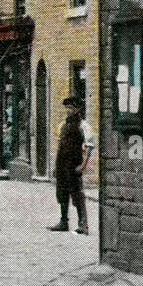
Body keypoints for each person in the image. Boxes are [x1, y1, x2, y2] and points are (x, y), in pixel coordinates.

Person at [48, 96, 95, 235]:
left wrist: (83, 165)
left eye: (71, 108)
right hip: (62, 163)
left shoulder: (83, 126)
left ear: (78, 109)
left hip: (74, 164)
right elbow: (60, 145)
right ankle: (64, 221)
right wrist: (56, 166)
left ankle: (83, 224)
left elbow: (90, 146)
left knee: (77, 193)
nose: (68, 110)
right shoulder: (63, 125)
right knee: (62, 192)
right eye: (67, 108)